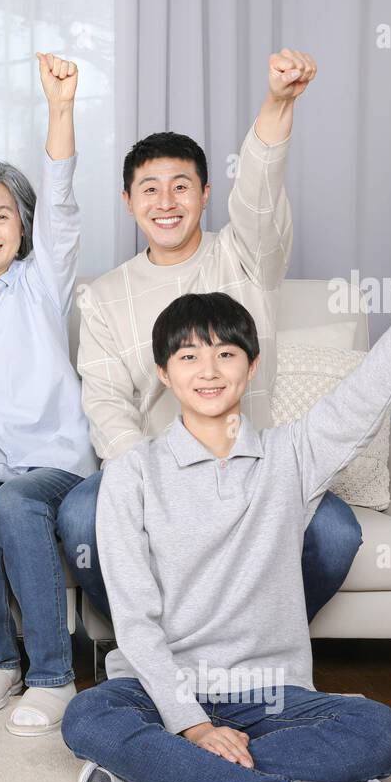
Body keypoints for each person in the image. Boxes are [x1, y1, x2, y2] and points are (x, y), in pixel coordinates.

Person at [61, 211, 391, 782]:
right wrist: (189, 724)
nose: (208, 369)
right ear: (164, 374)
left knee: (381, 732)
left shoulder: (292, 456)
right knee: (88, 717)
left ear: (251, 364)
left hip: (270, 697)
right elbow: (132, 620)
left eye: (225, 352)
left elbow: (374, 382)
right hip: (158, 693)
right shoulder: (132, 475)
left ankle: (151, 774)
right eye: (188, 355)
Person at [57, 49, 361, 624]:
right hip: (154, 466)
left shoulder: (247, 259)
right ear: (128, 202)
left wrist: (278, 103)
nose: (166, 203)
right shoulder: (103, 295)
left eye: (181, 187)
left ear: (205, 194)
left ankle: (255, 640)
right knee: (78, 517)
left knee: (337, 532)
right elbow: (105, 402)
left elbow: (261, 192)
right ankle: (155, 647)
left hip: (254, 467)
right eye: (149, 190)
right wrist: (149, 481)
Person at [0, 53, 97, 735]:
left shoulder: (41, 283)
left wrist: (59, 109)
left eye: (3, 216)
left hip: (54, 463)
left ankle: (53, 675)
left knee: (12, 501)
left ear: (23, 228)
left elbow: (62, 202)